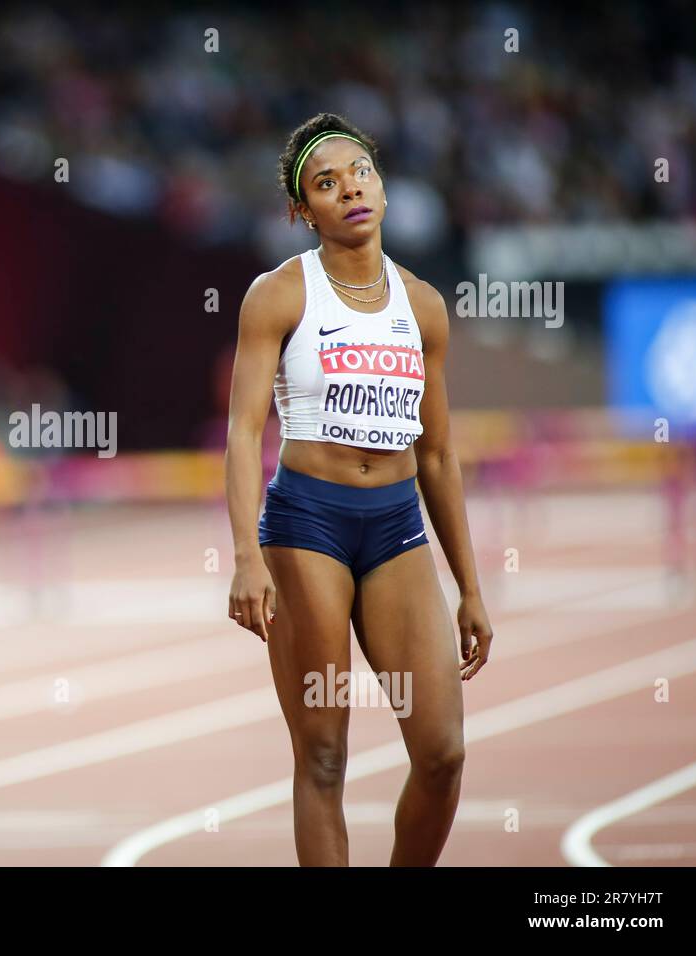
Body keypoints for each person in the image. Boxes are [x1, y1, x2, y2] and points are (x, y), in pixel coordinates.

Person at [223, 113, 494, 866]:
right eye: (326, 182)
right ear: (301, 211)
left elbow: (437, 453)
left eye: (362, 172)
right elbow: (245, 433)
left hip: (397, 527)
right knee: (324, 757)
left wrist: (470, 586)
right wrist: (246, 555)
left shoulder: (424, 306)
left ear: (383, 183)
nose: (350, 189)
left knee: (442, 753)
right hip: (308, 525)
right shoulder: (279, 296)